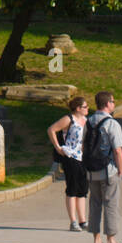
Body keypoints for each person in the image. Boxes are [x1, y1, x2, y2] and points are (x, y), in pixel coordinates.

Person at [84, 90, 122, 243]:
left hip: (91, 170)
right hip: (108, 170)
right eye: (113, 102)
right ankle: (111, 241)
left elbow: (84, 146)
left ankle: (96, 240)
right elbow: (117, 151)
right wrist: (121, 171)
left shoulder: (88, 122)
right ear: (108, 103)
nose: (114, 104)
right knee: (110, 204)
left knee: (94, 204)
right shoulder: (112, 124)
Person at [48, 96, 90, 231]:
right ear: (78, 108)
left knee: (82, 189)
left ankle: (83, 220)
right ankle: (73, 221)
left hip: (82, 158)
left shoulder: (86, 121)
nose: (88, 108)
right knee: (72, 188)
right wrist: (58, 147)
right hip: (70, 156)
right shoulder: (69, 119)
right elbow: (51, 130)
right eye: (85, 106)